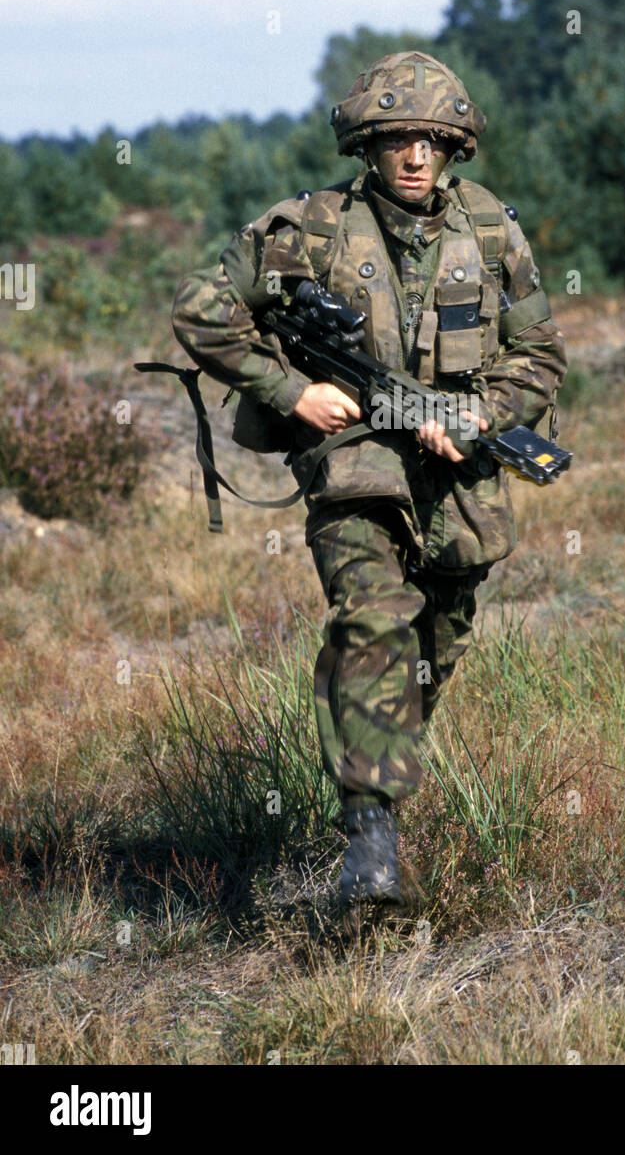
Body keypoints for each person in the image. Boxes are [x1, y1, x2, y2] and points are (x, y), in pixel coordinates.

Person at [171, 50, 568, 906]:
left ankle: (373, 770)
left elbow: (539, 356)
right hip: (353, 461)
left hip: (455, 475)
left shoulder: (492, 233)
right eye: (397, 140)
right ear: (368, 148)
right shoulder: (305, 230)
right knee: (372, 620)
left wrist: (478, 416)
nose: (415, 156)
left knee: (435, 642)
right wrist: (291, 390)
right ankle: (370, 844)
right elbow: (201, 307)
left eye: (431, 140)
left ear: (454, 146)